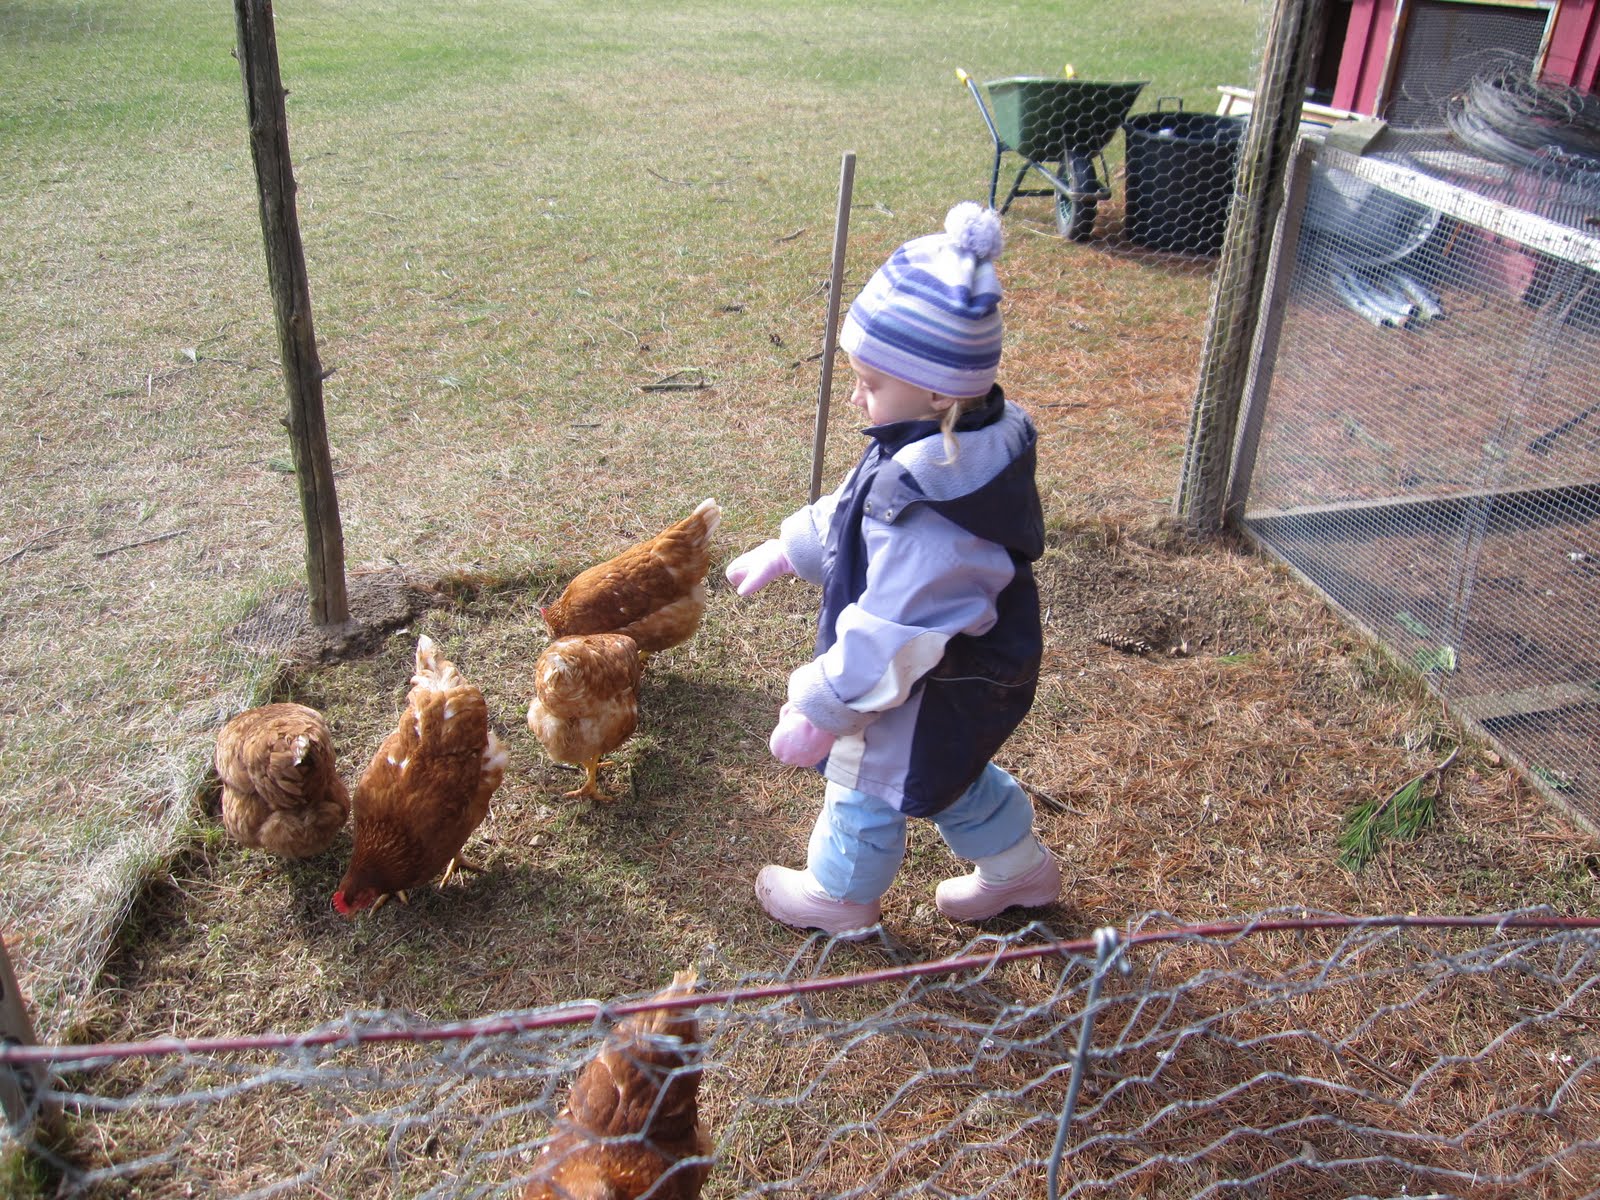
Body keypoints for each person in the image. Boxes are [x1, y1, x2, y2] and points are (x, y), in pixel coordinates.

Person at [725, 201, 1059, 937]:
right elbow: (855, 508)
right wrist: (790, 548)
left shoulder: (942, 516)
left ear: (938, 388)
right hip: (958, 677)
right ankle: (1020, 872)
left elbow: (891, 638)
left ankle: (841, 898)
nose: (856, 396)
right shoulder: (931, 446)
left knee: (864, 774)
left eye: (871, 382)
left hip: (930, 683)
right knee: (949, 778)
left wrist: (821, 711)